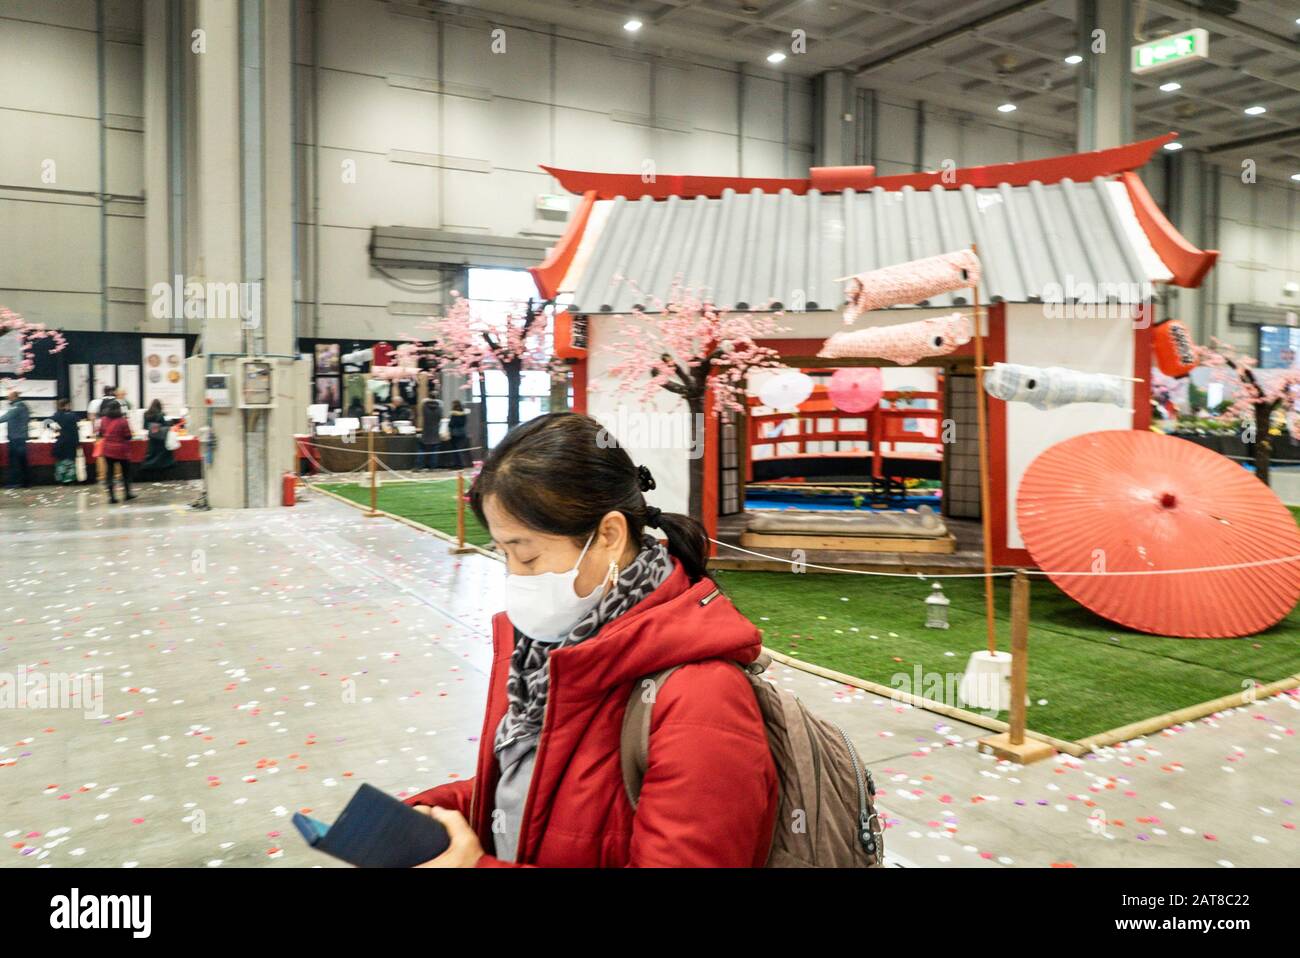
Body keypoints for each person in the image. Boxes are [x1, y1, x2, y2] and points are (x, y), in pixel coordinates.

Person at [403, 412, 778, 867]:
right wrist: (436, 813)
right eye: (504, 556)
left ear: (609, 536)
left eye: (527, 555)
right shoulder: (543, 654)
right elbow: (544, 790)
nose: (514, 578)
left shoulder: (701, 698)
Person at [96, 399, 136, 503]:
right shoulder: (123, 421)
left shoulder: (103, 420)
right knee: (126, 473)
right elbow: (128, 436)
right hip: (121, 451)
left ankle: (111, 497)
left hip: (108, 450)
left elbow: (100, 434)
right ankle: (127, 494)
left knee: (110, 473)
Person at [0, 389, 31, 488]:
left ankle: (15, 482)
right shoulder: (22, 406)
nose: (8, 399)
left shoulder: (17, 406)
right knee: (22, 461)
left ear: (14, 397)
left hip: (16, 438)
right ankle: (25, 482)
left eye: (9, 397)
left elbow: (6, 417)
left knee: (15, 461)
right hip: (20, 437)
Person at [50, 398, 81, 484]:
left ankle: (61, 478)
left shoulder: (56, 415)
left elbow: (48, 423)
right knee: (70, 461)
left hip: (60, 441)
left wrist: (57, 430)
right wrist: (78, 443)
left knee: (61, 461)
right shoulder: (72, 416)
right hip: (71, 441)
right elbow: (75, 430)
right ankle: (70, 479)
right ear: (66, 405)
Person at [141, 399, 174, 473]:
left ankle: (148, 468)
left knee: (151, 453)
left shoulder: (146, 414)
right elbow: (165, 425)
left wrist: (151, 429)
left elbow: (145, 427)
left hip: (151, 437)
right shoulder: (161, 414)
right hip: (160, 438)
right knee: (161, 454)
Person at [417, 396, 442, 470]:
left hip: (426, 433)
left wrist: (428, 400)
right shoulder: (439, 409)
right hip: (435, 433)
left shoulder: (425, 408)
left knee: (421, 450)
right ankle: (433, 466)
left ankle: (419, 465)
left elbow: (423, 402)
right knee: (434, 452)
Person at [446, 400, 470, 468]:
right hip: (462, 433)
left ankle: (457, 464)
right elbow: (464, 423)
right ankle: (461, 463)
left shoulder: (454, 414)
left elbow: (451, 424)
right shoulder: (464, 413)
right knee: (460, 449)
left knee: (455, 450)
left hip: (455, 434)